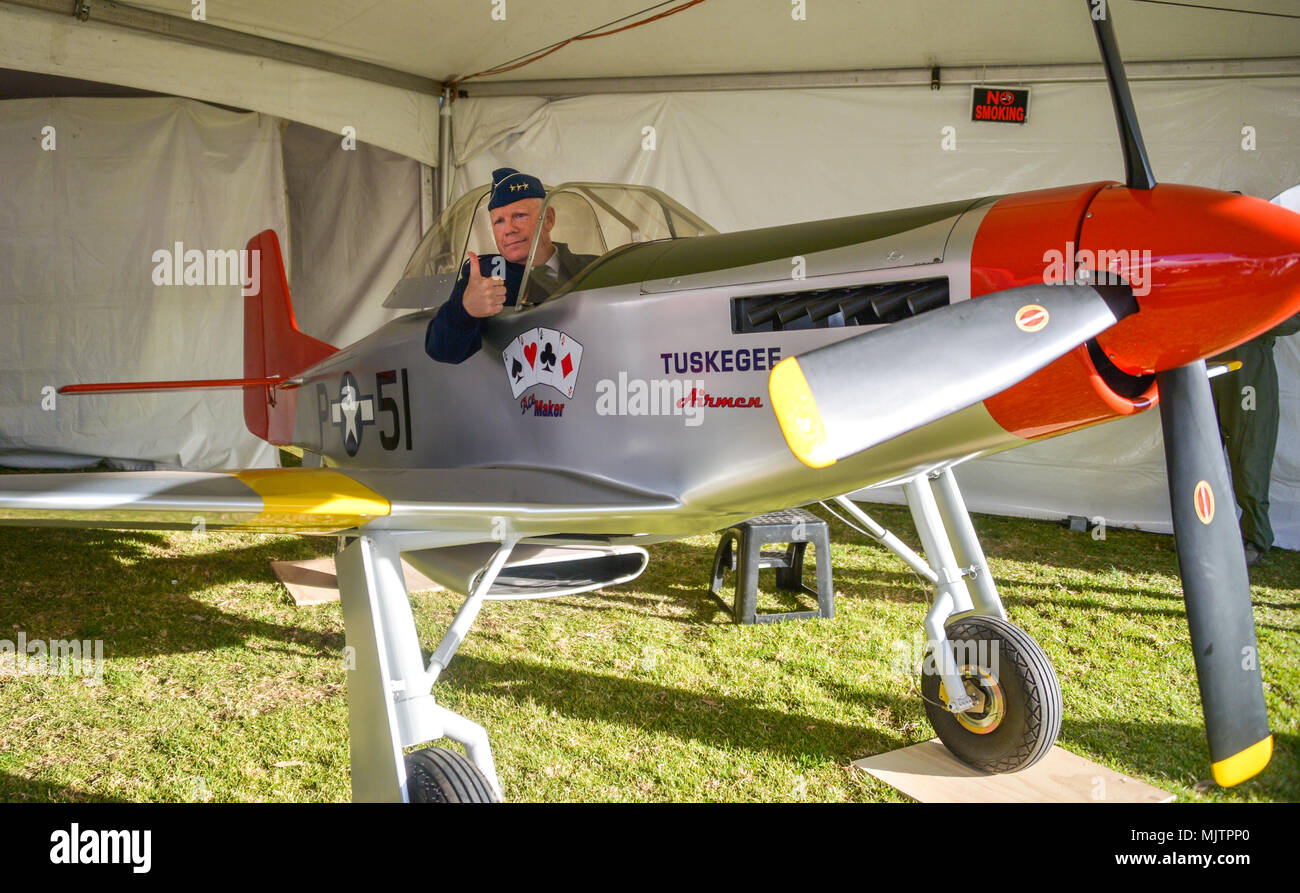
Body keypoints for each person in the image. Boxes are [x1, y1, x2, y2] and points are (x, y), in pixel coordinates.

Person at [425, 168, 596, 364]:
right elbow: (442, 350)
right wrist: (465, 310)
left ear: (548, 219)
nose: (509, 230)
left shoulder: (594, 267)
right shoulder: (485, 279)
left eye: (519, 216)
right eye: (499, 221)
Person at [1209, 312, 1300, 566]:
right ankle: (1201, 530)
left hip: (1250, 361)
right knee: (1199, 453)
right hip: (1206, 355)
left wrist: (1245, 317)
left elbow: (1292, 316)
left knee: (1250, 453)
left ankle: (1255, 538)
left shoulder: (1267, 282)